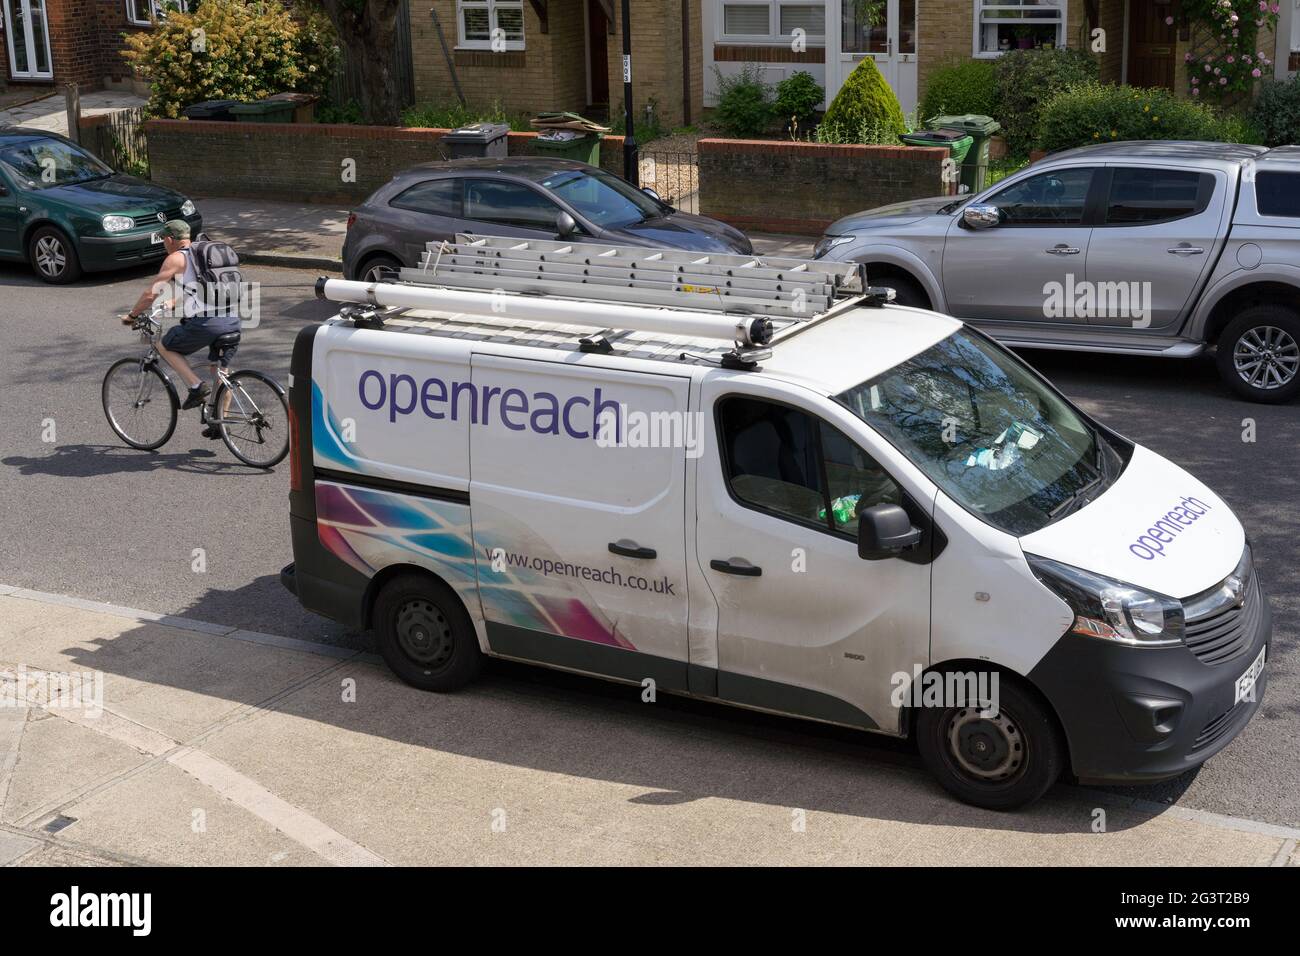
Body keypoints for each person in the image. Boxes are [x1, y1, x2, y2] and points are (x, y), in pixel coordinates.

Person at [122, 220, 240, 432]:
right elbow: (198, 286)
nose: (163, 244)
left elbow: (151, 293)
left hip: (207, 323)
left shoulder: (175, 258)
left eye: (163, 240)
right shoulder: (202, 256)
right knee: (220, 371)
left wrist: (132, 315)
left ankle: (196, 386)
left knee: (163, 345)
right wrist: (173, 301)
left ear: (169, 239)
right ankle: (221, 424)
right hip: (232, 319)